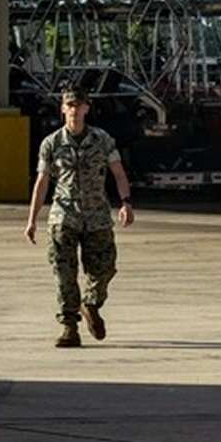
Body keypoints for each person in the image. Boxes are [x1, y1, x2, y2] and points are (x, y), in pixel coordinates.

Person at [23, 87, 134, 348]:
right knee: (64, 273)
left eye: (78, 105)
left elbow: (118, 173)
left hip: (96, 215)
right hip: (64, 216)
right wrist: (32, 220)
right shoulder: (51, 143)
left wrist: (126, 203)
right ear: (63, 109)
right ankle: (69, 327)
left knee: (105, 267)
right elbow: (42, 182)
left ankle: (91, 304)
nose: (74, 109)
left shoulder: (102, 139)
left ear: (86, 108)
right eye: (69, 105)